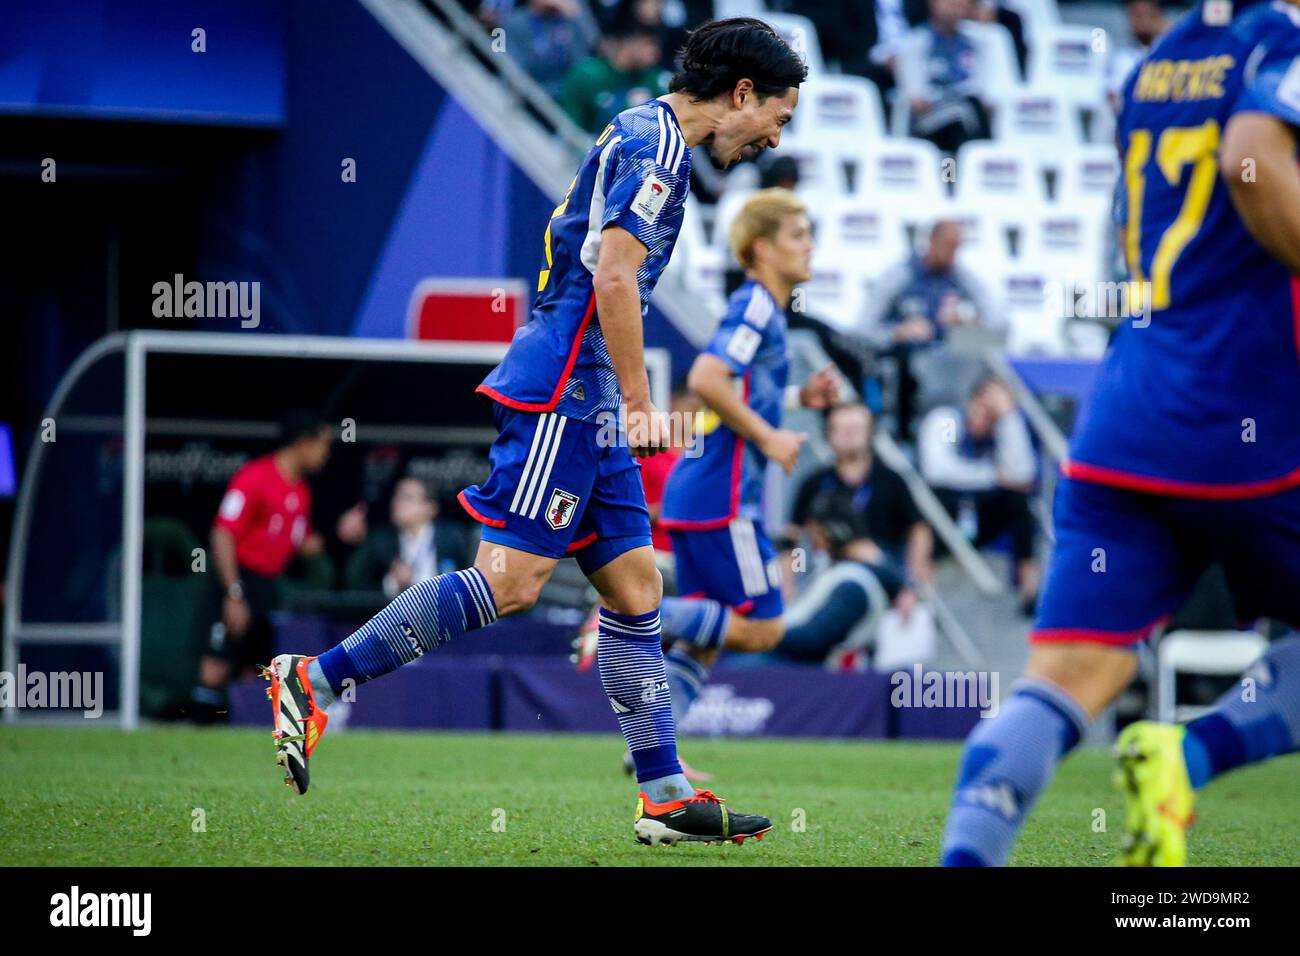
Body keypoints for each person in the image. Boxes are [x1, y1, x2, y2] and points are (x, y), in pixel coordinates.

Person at [262, 16, 807, 848]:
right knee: (511, 582)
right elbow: (614, 279)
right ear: (741, 93)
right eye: (778, 114)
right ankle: (316, 678)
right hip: (566, 387)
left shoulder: (646, 132)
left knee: (636, 589)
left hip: (586, 388)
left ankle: (664, 794)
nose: (776, 136)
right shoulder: (659, 151)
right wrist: (637, 404)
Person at [940, 1, 1300, 867]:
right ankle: (1190, 757)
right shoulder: (1278, 44)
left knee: (1063, 681)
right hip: (1251, 421)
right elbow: (1249, 158)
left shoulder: (1159, 63)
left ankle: (967, 856)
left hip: (1128, 417)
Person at [645, 188, 841, 733]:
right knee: (763, 628)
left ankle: (654, 753)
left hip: (699, 496)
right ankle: (629, 616)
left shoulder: (765, 312)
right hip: (724, 499)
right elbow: (707, 379)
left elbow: (737, 396)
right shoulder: (756, 305)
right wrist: (771, 437)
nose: (810, 247)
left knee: (706, 639)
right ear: (762, 247)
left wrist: (798, 399)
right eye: (798, 235)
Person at [191, 410, 332, 723]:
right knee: (215, 669)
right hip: (235, 579)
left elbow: (293, 539)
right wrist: (233, 593)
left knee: (255, 671)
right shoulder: (255, 476)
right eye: (323, 444)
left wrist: (323, 540)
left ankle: (241, 739)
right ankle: (197, 731)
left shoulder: (301, 491)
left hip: (267, 587)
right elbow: (222, 533)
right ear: (303, 442)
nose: (326, 453)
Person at [861, 219, 999, 438]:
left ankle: (960, 442)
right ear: (932, 241)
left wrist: (967, 323)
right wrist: (899, 332)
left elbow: (998, 327)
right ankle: (903, 439)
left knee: (980, 365)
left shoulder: (962, 278)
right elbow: (861, 331)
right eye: (948, 245)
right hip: (905, 377)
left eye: (957, 247)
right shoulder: (900, 276)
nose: (953, 254)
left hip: (950, 378)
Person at [917, 375, 1039, 613]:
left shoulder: (1003, 429)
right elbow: (939, 470)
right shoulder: (948, 421)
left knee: (1018, 500)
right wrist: (993, 476)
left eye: (993, 412)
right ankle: (924, 594)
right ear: (972, 400)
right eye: (983, 407)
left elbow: (1022, 476)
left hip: (981, 511)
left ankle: (1029, 588)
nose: (985, 417)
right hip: (946, 505)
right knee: (929, 506)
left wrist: (1009, 417)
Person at [337, 476, 473, 598]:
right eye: (396, 496)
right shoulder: (380, 541)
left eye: (407, 497)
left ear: (431, 508)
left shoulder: (452, 538)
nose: (397, 503)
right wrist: (392, 583)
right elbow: (358, 590)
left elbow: (469, 583)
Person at [896, 0, 992, 153]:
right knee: (961, 115)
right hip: (929, 121)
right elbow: (917, 101)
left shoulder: (974, 42)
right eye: (951, 4)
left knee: (969, 109)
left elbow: (983, 93)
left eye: (960, 6)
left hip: (968, 116)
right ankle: (960, 166)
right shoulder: (915, 42)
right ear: (934, 4)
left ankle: (973, 161)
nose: (955, 10)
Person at [560, 21, 670, 133]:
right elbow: (570, 125)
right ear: (630, 43)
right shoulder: (587, 74)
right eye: (650, 44)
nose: (656, 52)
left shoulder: (653, 78)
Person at [503, 0, 596, 101]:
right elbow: (516, 74)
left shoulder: (565, 20)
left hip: (567, 95)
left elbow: (582, 65)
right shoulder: (516, 22)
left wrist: (574, 19)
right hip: (533, 98)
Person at [1106, 0, 1172, 112]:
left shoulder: (1175, 51)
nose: (1139, 22)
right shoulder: (1123, 58)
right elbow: (1114, 98)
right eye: (1134, 15)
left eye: (1145, 15)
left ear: (1159, 16)